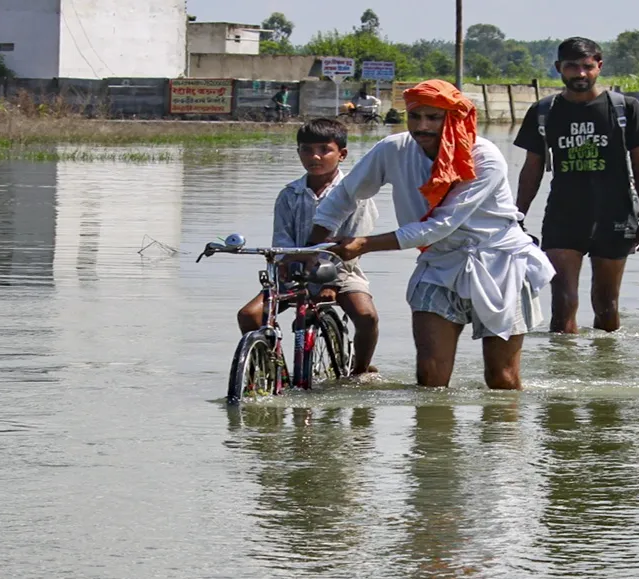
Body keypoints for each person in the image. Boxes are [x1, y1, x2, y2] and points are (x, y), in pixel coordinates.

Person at [316, 80, 555, 390]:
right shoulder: (394, 149)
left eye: (433, 117)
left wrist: (365, 244)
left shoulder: (484, 157)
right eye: (415, 116)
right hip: (439, 263)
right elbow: (345, 194)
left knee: (502, 379)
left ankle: (504, 422)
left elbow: (441, 224)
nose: (422, 126)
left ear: (452, 118)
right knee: (430, 380)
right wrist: (313, 245)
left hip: (499, 263)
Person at [514, 37, 639, 333]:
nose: (580, 73)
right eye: (572, 66)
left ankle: (606, 360)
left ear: (599, 66)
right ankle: (564, 360)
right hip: (564, 216)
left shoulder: (625, 109)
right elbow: (532, 169)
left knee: (607, 304)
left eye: (587, 66)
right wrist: (516, 217)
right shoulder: (544, 111)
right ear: (559, 68)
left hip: (615, 215)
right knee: (563, 302)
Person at [236, 118, 381, 375]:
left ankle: (360, 371)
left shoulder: (356, 194)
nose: (315, 156)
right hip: (295, 272)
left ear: (342, 154)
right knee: (249, 315)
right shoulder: (290, 194)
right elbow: (282, 240)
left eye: (324, 150)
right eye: (307, 150)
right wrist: (283, 264)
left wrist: (330, 284)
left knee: (366, 316)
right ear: (299, 152)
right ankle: (273, 370)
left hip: (342, 272)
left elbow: (353, 246)